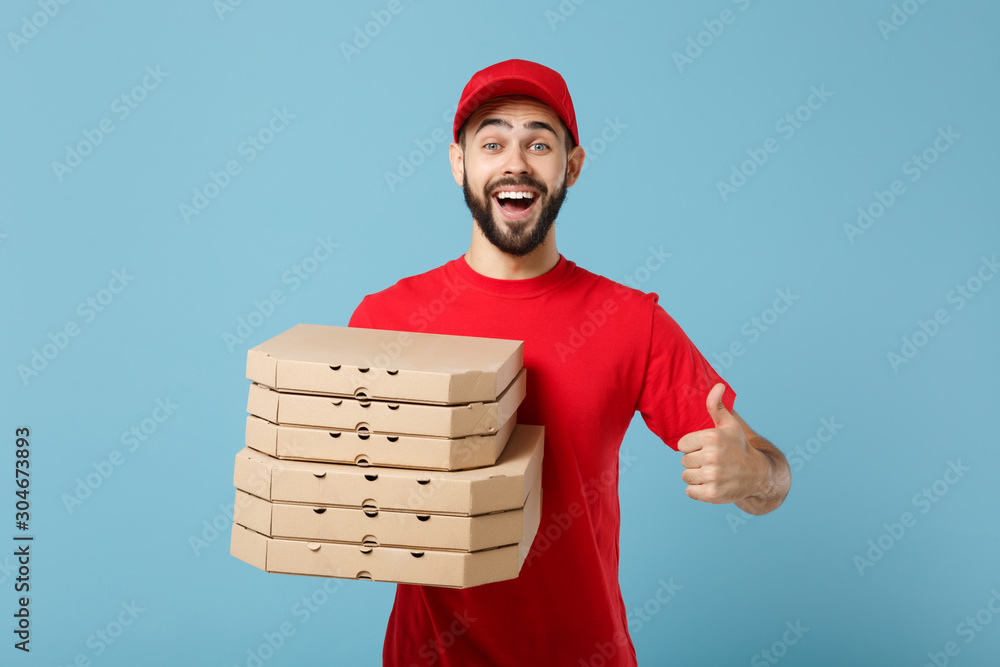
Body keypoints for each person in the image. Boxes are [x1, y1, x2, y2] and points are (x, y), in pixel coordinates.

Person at [348, 58, 791, 667]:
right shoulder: (387, 321)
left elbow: (769, 475)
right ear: (459, 163)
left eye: (539, 143)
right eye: (493, 141)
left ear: (571, 168)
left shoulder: (630, 320)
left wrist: (755, 477)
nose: (515, 162)